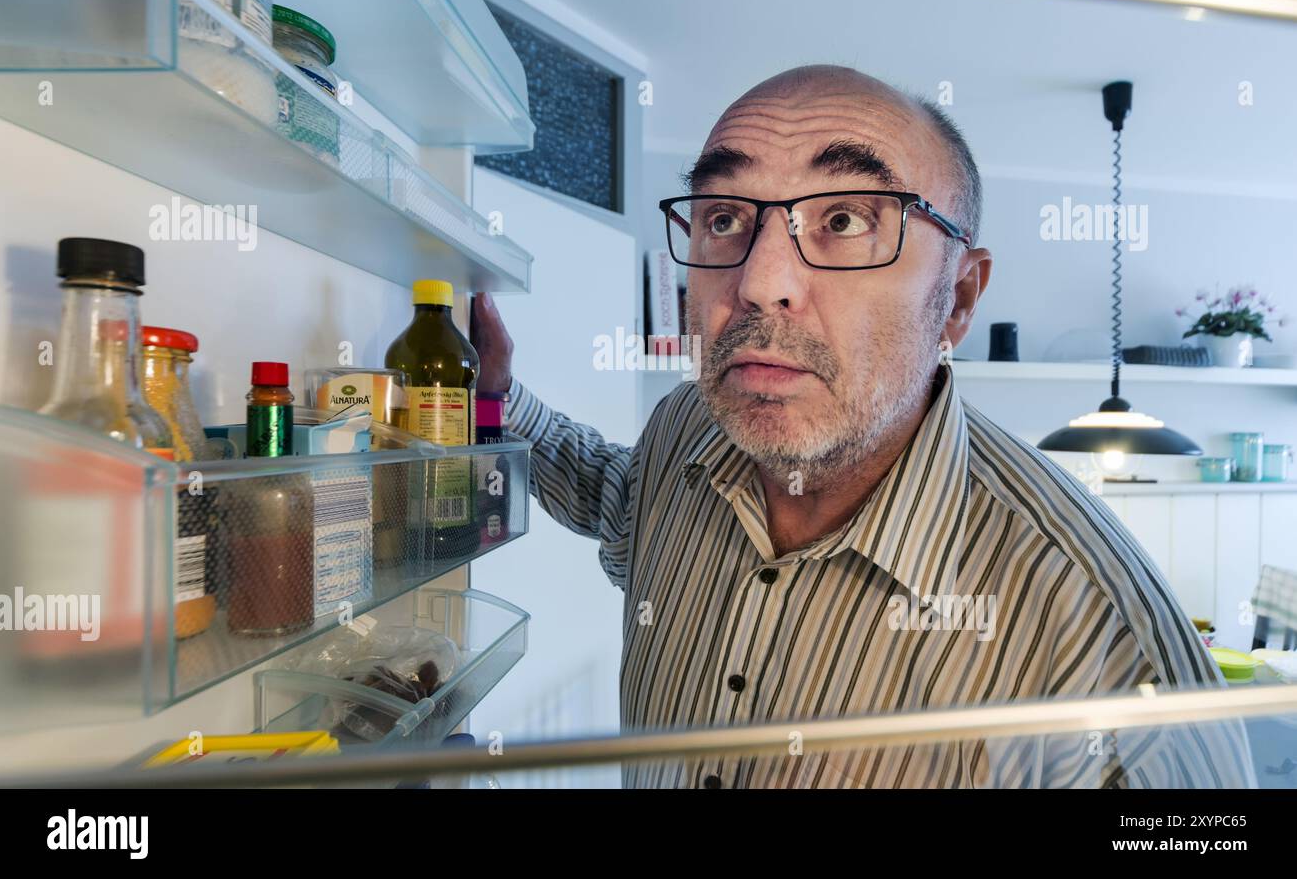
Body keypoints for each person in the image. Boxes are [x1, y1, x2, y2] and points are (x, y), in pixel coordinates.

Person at [470, 65, 1253, 789]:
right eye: (723, 217)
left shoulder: (1109, 655)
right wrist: (495, 396)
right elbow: (616, 493)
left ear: (958, 298)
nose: (759, 283)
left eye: (844, 219)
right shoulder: (688, 431)